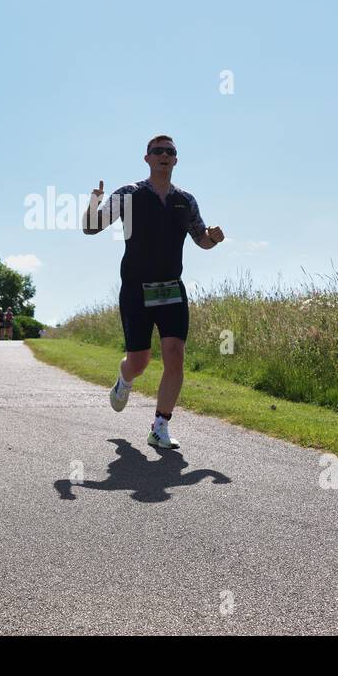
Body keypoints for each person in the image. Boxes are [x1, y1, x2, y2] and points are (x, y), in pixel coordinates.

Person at [83, 134, 224, 449]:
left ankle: (160, 426)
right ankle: (125, 378)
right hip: (136, 289)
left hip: (172, 289)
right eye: (157, 151)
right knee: (140, 361)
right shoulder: (130, 194)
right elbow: (91, 227)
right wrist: (94, 201)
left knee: (175, 356)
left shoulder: (185, 200)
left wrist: (213, 237)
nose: (163, 155)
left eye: (169, 152)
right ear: (146, 158)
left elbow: (201, 239)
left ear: (175, 160)